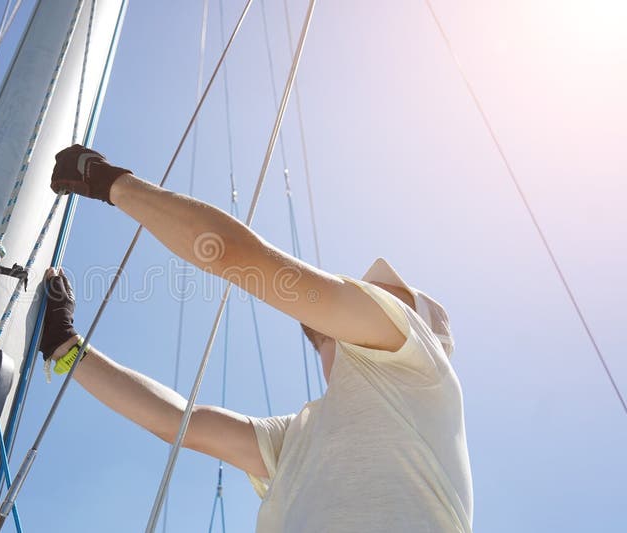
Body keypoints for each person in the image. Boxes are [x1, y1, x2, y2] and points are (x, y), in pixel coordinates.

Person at [38, 145, 473, 532]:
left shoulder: (416, 360)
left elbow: (227, 252)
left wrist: (108, 182)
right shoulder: (300, 435)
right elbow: (175, 422)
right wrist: (65, 347)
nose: (365, 297)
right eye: (321, 340)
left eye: (381, 294)